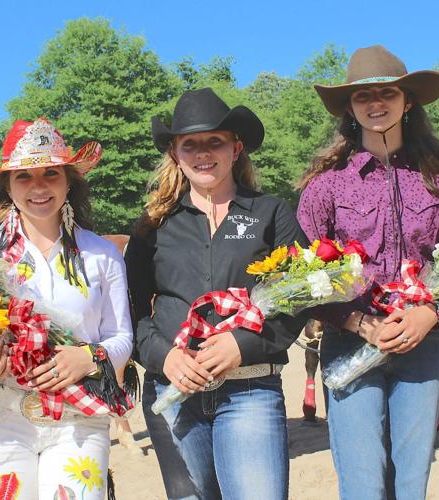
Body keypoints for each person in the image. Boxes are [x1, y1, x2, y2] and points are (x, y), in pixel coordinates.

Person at [296, 45, 439, 500]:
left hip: (421, 343)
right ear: (350, 109)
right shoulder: (325, 186)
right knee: (362, 480)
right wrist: (357, 321)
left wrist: (430, 314)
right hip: (349, 341)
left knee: (412, 480)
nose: (376, 103)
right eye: (363, 96)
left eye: (387, 93)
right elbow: (300, 277)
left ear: (407, 101)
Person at [125, 88, 308, 500]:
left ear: (236, 147)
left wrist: (242, 345)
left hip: (250, 391)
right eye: (190, 144)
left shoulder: (272, 213)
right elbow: (131, 309)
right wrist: (163, 356)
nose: (203, 153)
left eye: (215, 141)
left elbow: (296, 300)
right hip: (173, 392)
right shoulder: (153, 225)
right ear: (175, 152)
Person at [0, 118, 133, 499]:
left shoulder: (102, 255)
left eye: (50, 174)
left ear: (68, 181)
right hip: (0, 421)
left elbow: (123, 337)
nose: (38, 187)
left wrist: (88, 357)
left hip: (81, 420)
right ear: (7, 186)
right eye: (23, 176)